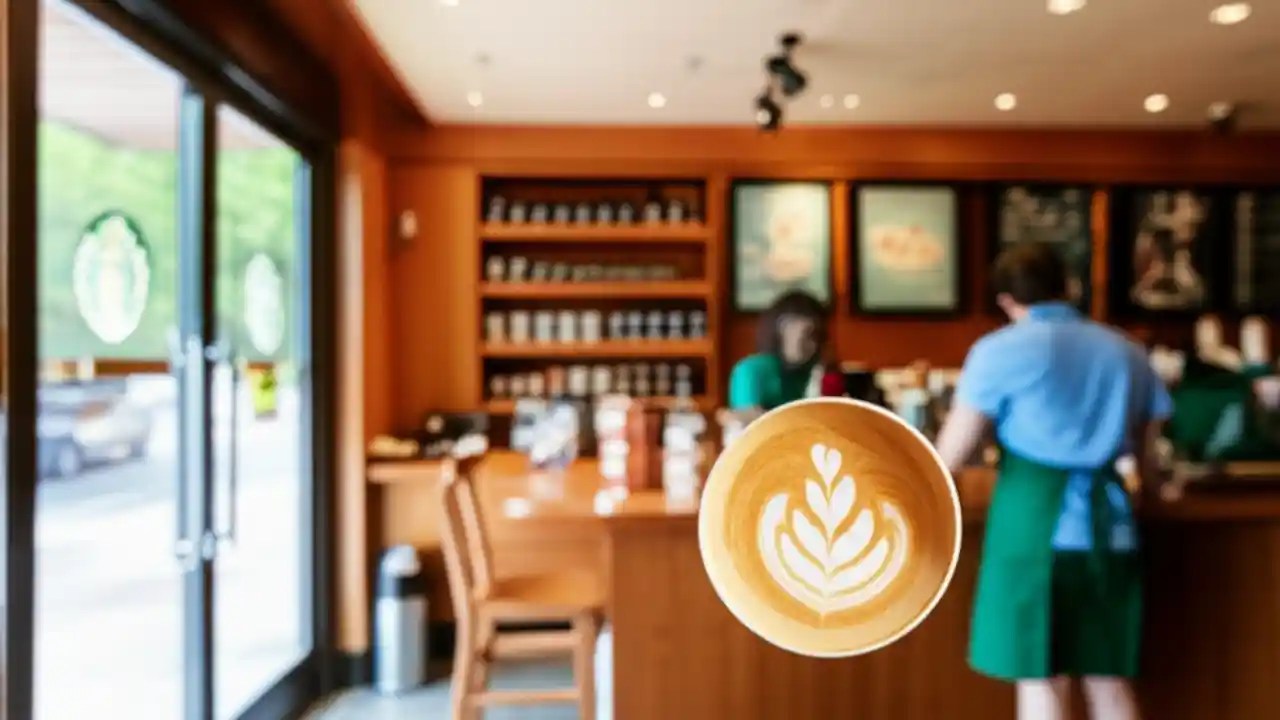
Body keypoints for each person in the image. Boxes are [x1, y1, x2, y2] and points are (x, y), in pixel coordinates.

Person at [934, 242, 1172, 720]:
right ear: (1069, 286)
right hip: (1113, 531)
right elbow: (1149, 464)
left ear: (1006, 300)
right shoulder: (1126, 350)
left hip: (1033, 531)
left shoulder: (997, 352)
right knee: (1109, 680)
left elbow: (950, 457)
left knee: (1042, 680)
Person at [727, 290, 830, 413]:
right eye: (806, 335)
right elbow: (750, 422)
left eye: (815, 337)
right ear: (780, 329)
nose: (811, 345)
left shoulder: (814, 374)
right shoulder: (752, 370)